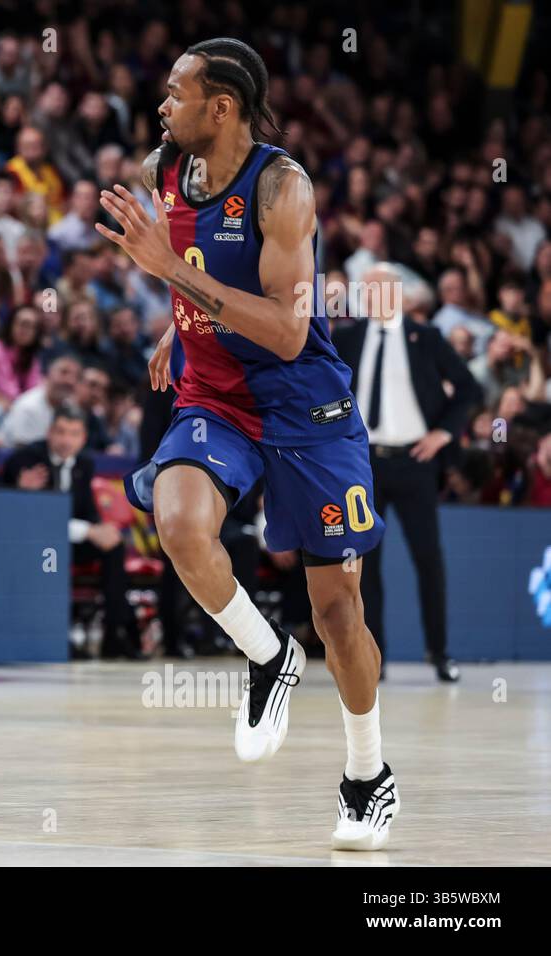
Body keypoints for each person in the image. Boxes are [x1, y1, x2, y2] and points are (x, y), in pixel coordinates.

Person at [102, 38, 396, 849]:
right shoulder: (169, 165)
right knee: (180, 522)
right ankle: (268, 659)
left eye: (175, 93)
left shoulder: (282, 187)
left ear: (221, 106)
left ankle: (367, 774)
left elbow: (289, 329)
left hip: (305, 404)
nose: (162, 105)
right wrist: (178, 321)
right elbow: (196, 263)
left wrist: (168, 270)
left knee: (337, 614)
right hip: (217, 392)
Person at [332, 263, 481, 681]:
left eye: (379, 288)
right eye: (366, 289)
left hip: (415, 462)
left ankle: (439, 651)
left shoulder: (427, 338)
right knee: (366, 565)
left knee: (428, 559)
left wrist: (442, 434)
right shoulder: (346, 338)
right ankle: (371, 659)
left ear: (399, 294)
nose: (370, 295)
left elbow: (468, 388)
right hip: (364, 465)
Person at [3, 406, 140, 658]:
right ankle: (57, 637)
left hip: (69, 541)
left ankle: (114, 635)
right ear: (49, 432)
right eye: (61, 432)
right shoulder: (26, 459)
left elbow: (87, 511)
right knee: (50, 555)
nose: (66, 440)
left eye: (74, 434)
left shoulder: (84, 463)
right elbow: (20, 516)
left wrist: (100, 529)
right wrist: (20, 492)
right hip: (34, 545)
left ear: (83, 438)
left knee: (113, 545)